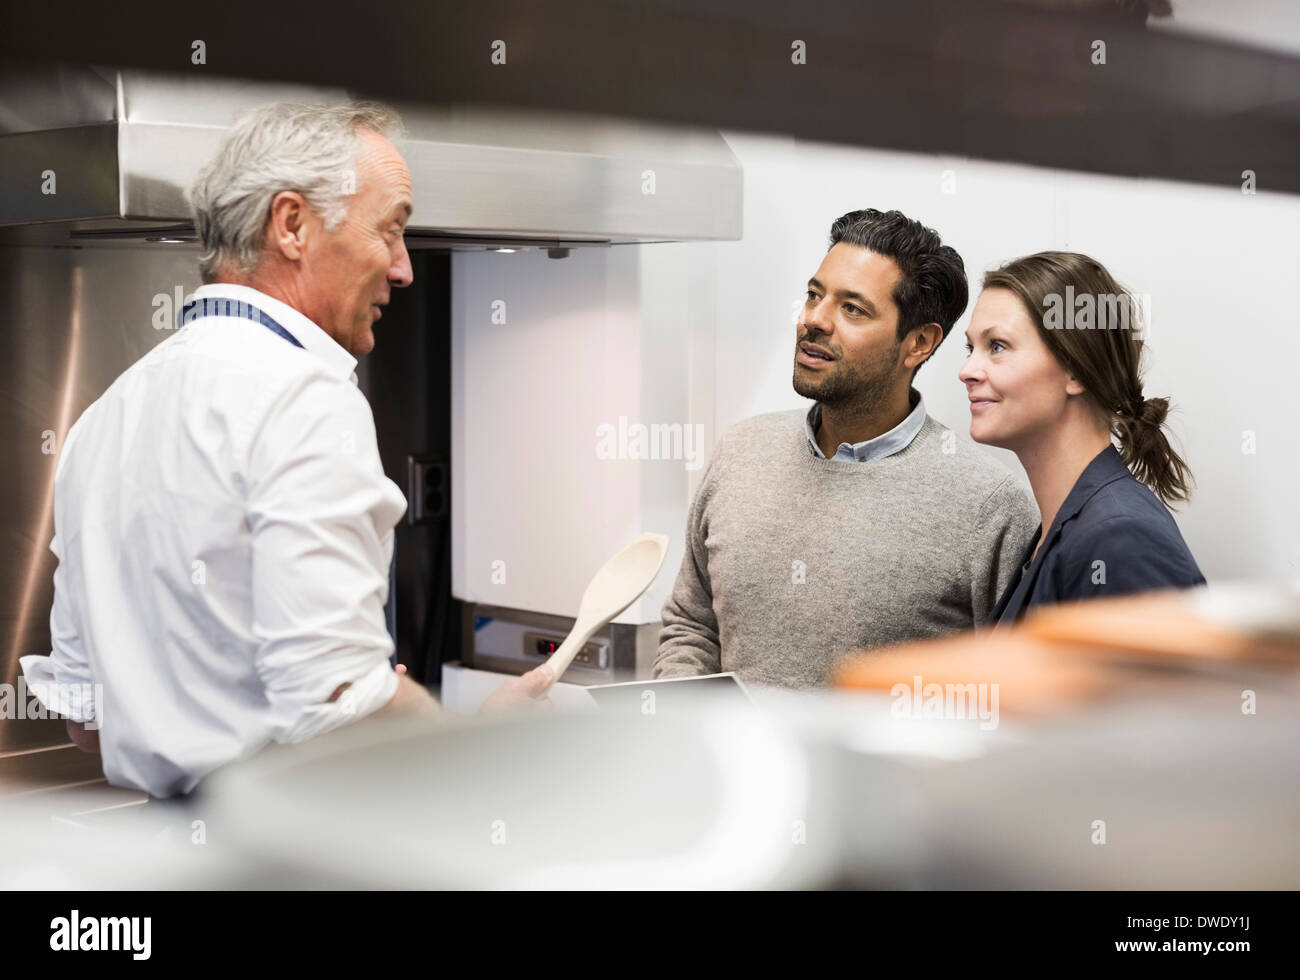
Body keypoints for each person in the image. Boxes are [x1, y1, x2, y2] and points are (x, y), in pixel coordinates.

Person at [20, 99, 549, 798]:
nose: (403, 269)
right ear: (292, 225)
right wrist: (477, 742)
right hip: (287, 853)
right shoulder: (305, 399)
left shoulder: (102, 418)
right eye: (390, 231)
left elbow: (86, 720)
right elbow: (338, 709)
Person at [654, 209, 1040, 689]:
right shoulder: (741, 450)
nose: (814, 320)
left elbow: (1011, 695)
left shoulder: (990, 505)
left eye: (852, 309)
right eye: (815, 295)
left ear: (918, 343)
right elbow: (691, 626)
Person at [959, 250, 1205, 624]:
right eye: (970, 347)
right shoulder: (1064, 528)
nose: (967, 370)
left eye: (997, 346)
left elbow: (1168, 684)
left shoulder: (1120, 538)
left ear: (1076, 370)